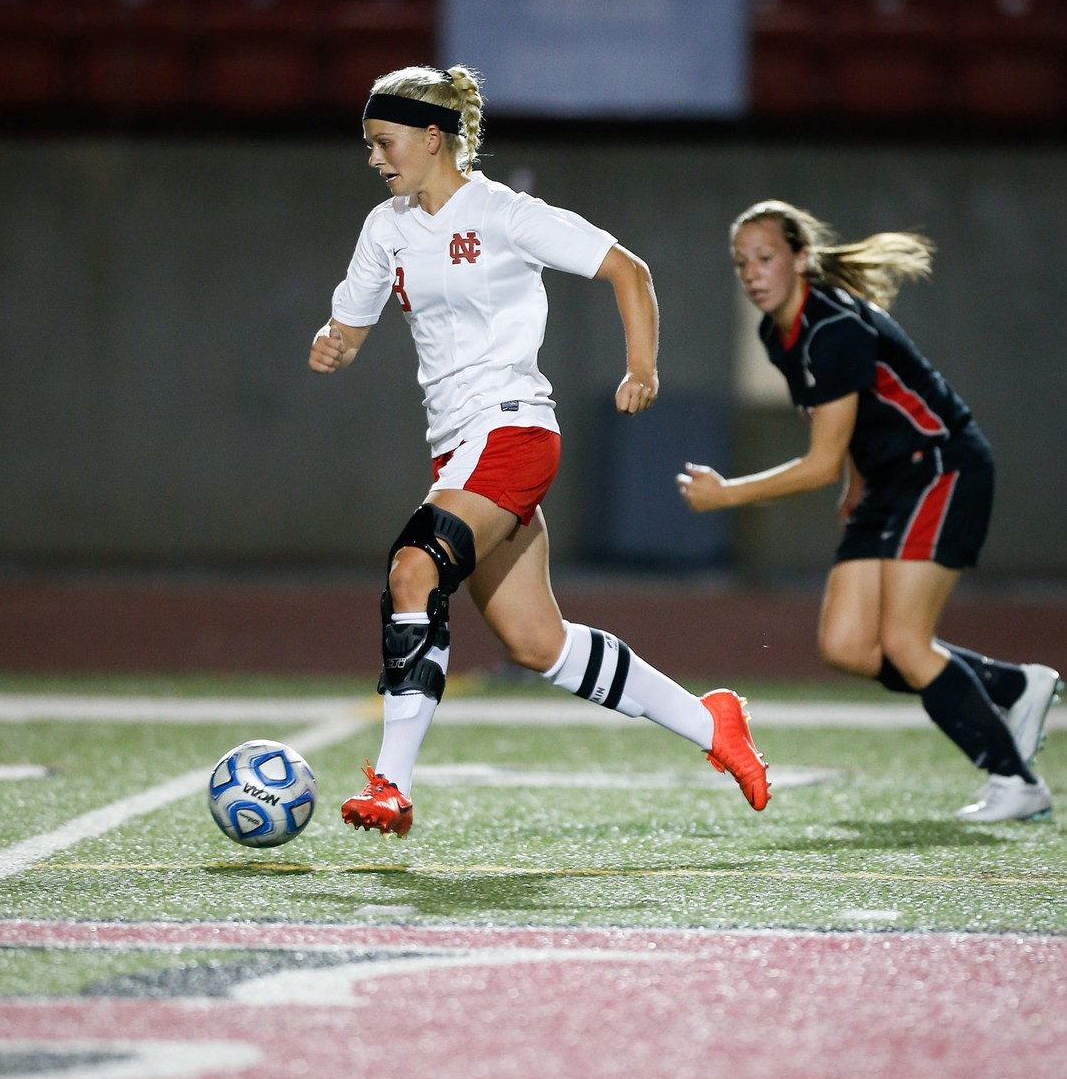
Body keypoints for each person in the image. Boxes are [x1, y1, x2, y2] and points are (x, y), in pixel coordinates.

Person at [309, 64, 769, 837]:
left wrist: (642, 366)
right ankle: (711, 721)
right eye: (368, 144)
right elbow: (349, 326)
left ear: (433, 138)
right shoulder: (385, 227)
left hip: (514, 429)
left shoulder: (502, 213)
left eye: (384, 142)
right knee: (537, 643)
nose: (374, 158)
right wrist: (333, 342)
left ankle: (390, 781)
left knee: (414, 569)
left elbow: (629, 270)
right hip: (459, 448)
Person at [678, 199, 1060, 825]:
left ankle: (1015, 780)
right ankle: (1015, 688)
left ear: (801, 258)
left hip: (940, 466)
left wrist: (729, 493)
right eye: (741, 261)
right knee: (849, 645)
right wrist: (856, 483)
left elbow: (821, 460)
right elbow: (849, 427)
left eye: (765, 257)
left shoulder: (831, 329)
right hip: (885, 479)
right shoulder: (777, 333)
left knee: (906, 642)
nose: (751, 272)